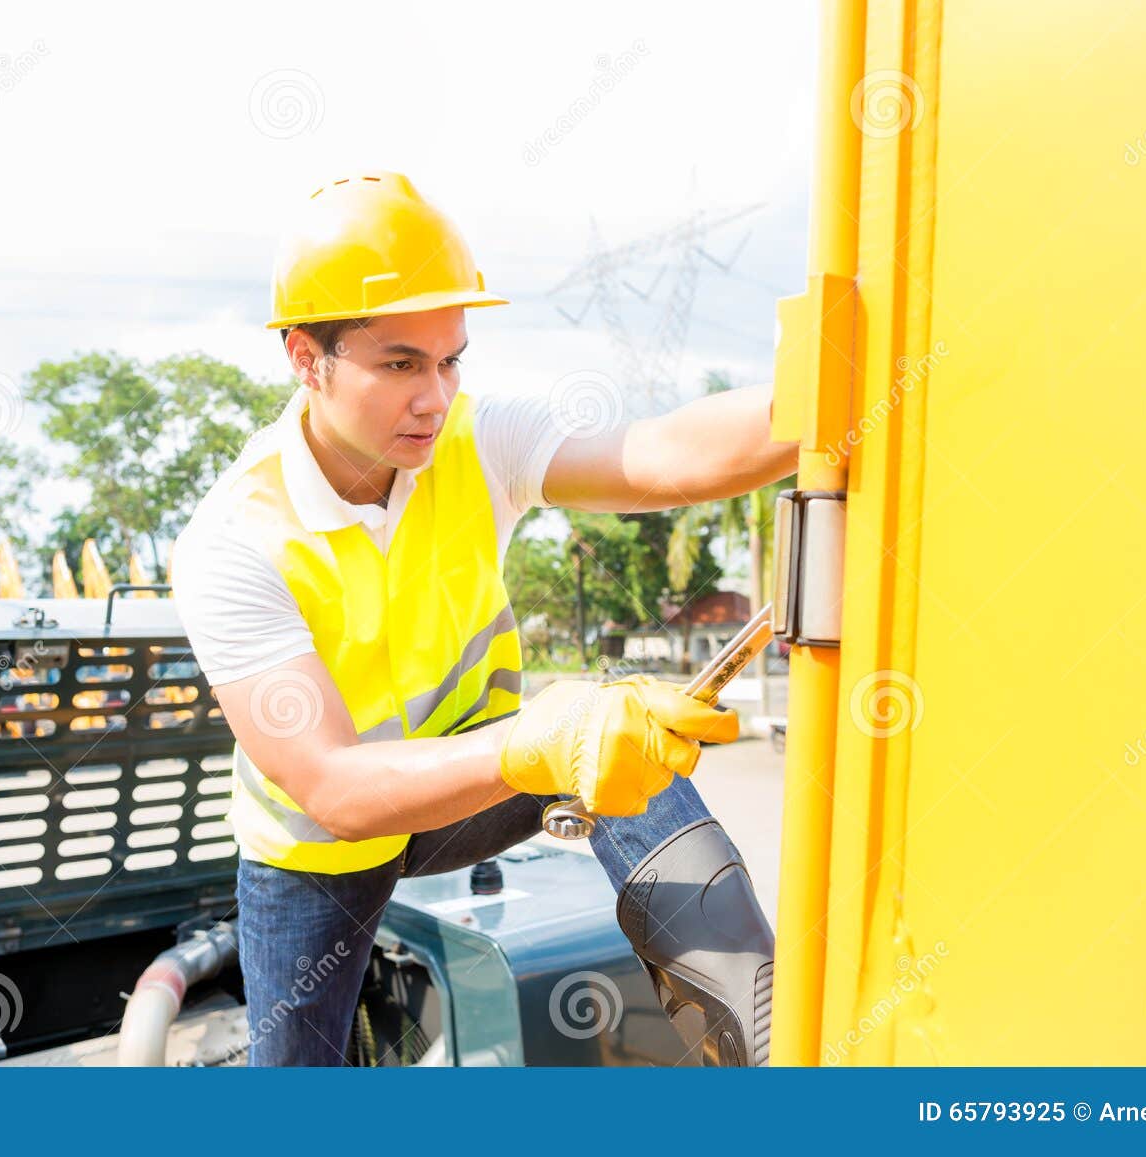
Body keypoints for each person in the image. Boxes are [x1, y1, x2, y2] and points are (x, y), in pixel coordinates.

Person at [172, 172, 796, 1066]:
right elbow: (338, 790)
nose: (434, 396)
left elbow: (662, 455)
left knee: (616, 740)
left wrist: (812, 400)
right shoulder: (235, 537)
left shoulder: (473, 439)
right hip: (318, 848)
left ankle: (759, 1034)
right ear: (307, 358)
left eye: (450, 360)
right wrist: (536, 740)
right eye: (400, 364)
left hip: (465, 783)